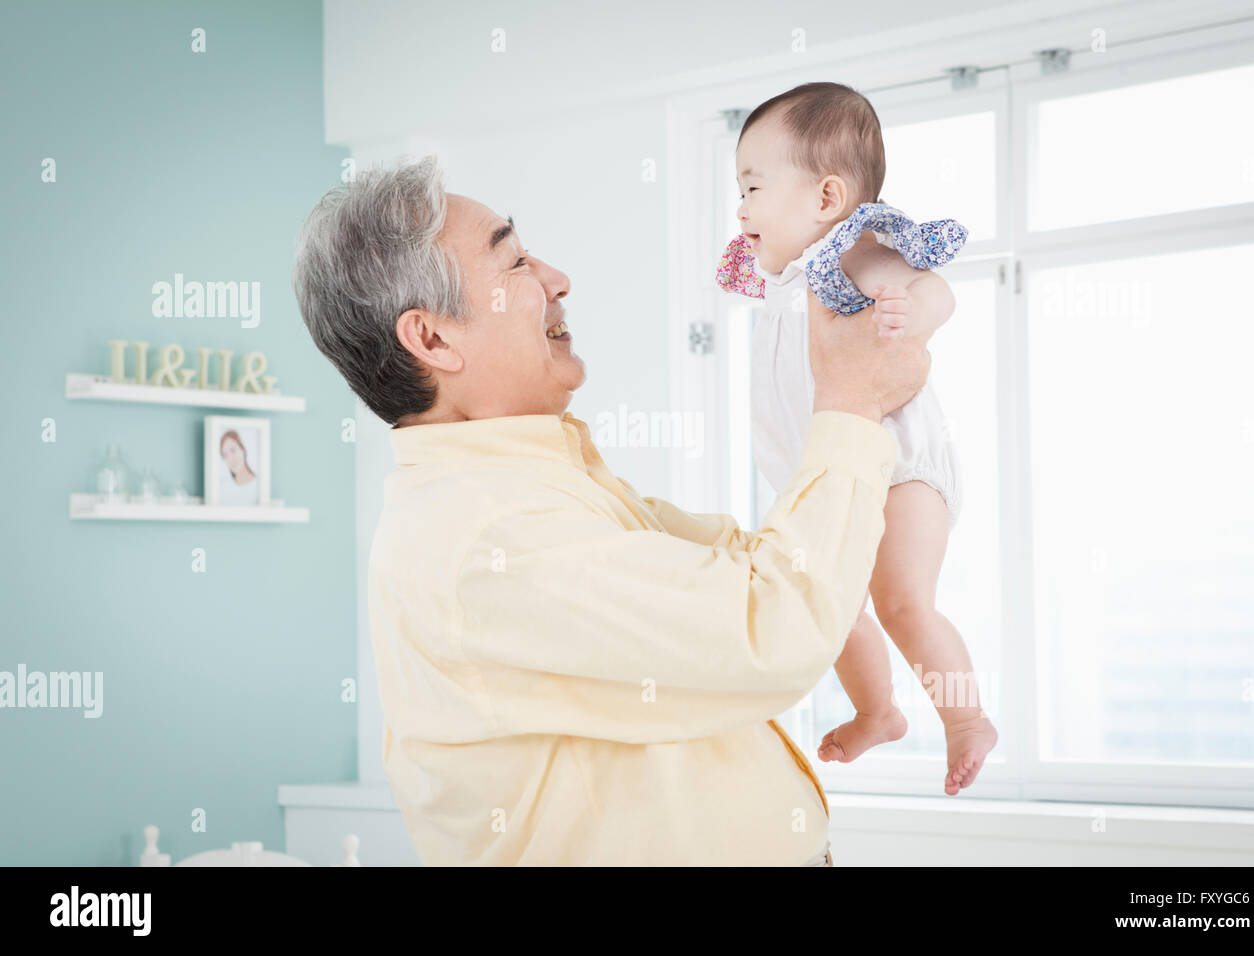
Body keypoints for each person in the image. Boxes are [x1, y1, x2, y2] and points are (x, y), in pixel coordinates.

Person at [291, 155, 930, 865]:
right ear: (434, 339)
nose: (557, 277)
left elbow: (759, 565)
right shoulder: (486, 536)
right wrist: (852, 402)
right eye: (514, 264)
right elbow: (774, 628)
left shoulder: (540, 485)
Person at [718, 81, 997, 794]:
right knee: (828, 606)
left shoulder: (854, 252)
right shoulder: (784, 279)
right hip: (824, 482)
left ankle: (966, 719)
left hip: (899, 468)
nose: (740, 206)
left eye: (752, 186)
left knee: (902, 600)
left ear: (826, 198)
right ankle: (878, 711)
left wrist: (913, 311)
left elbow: (942, 292)